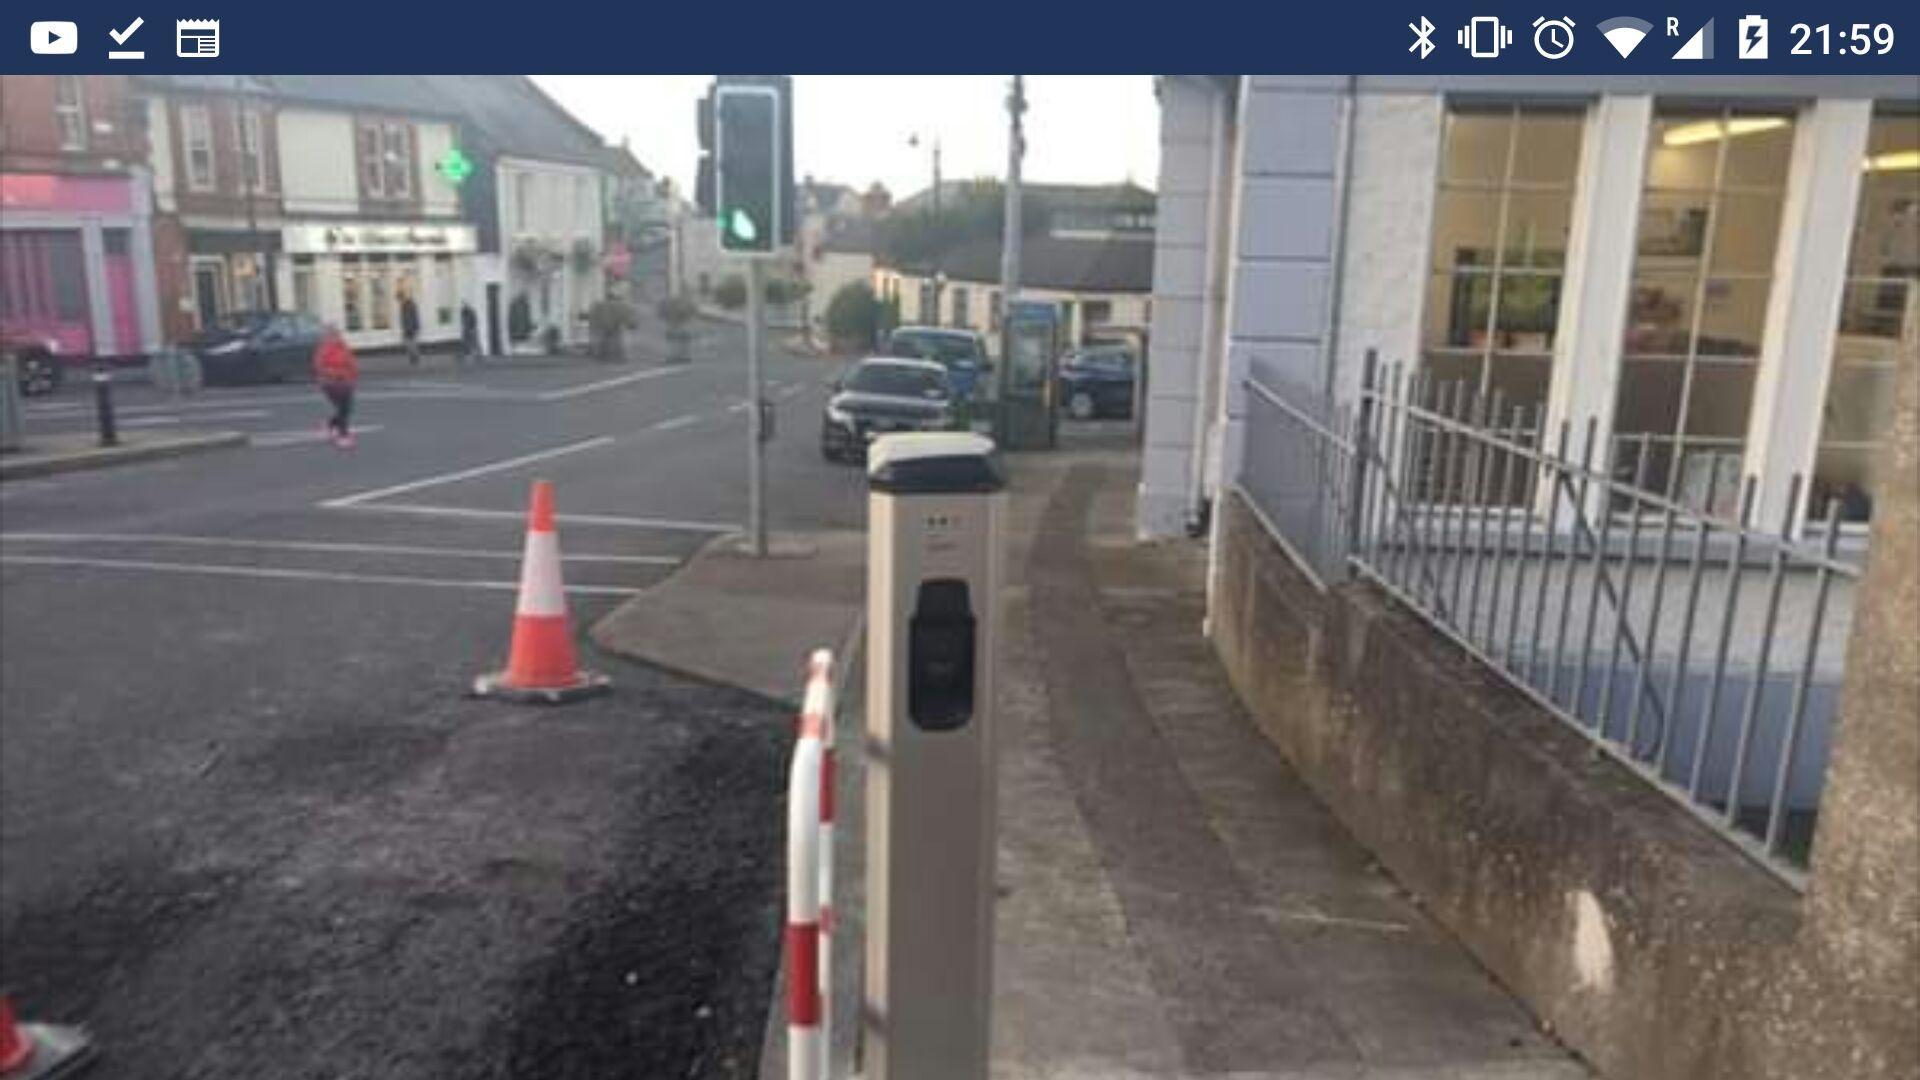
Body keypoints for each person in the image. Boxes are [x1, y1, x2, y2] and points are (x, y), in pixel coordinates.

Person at [313, 327, 359, 448]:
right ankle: (343, 435)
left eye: (337, 335)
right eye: (333, 335)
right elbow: (320, 367)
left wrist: (353, 377)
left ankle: (330, 425)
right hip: (330, 383)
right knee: (343, 408)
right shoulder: (324, 349)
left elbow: (351, 363)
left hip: (346, 382)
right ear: (327, 336)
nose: (336, 338)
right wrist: (335, 373)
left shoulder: (344, 348)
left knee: (346, 409)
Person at [400, 289, 422, 367]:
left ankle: (414, 357)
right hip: (409, 327)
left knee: (410, 343)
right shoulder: (404, 305)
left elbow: (413, 316)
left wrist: (415, 326)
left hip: (410, 327)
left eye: (401, 299)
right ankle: (413, 357)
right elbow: (404, 318)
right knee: (410, 343)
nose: (401, 300)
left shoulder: (409, 305)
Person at [459, 302, 480, 367]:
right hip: (467, 329)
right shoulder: (463, 312)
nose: (463, 306)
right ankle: (469, 356)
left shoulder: (470, 312)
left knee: (473, 343)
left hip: (470, 330)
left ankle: (475, 355)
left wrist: (472, 328)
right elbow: (464, 321)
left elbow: (473, 321)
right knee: (467, 343)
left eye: (464, 305)